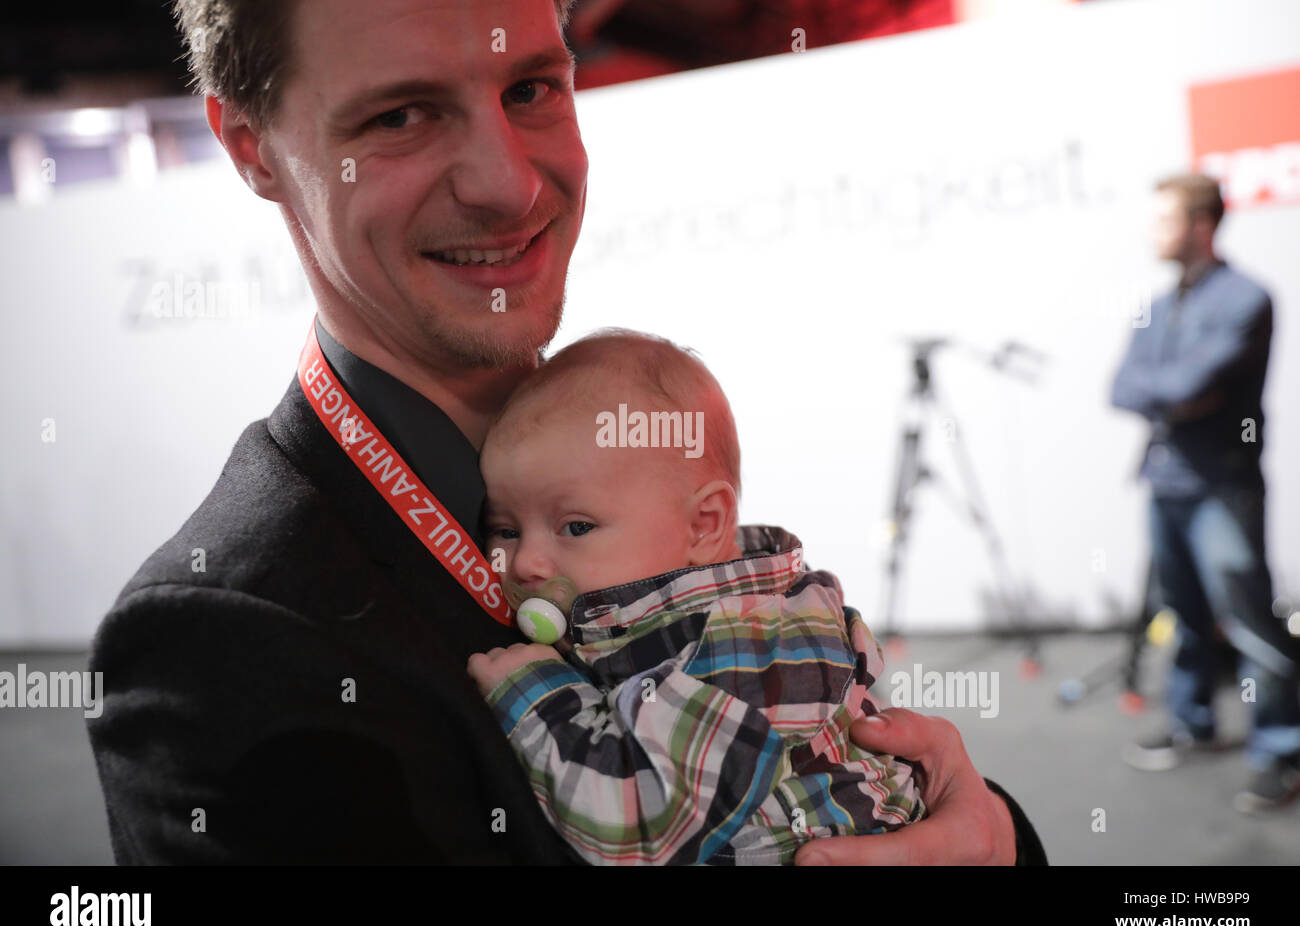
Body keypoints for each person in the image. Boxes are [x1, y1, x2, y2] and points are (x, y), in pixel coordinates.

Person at [86, 0, 1045, 864]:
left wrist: (991, 838)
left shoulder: (631, 440)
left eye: (532, 87)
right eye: (401, 115)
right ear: (251, 146)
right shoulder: (216, 644)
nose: (508, 185)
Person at [466, 330, 926, 864]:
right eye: (504, 530)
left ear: (703, 525)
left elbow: (638, 826)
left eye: (575, 527)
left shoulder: (743, 646)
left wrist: (534, 692)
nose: (525, 563)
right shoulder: (654, 618)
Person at [1112, 172, 1300, 812]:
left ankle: (1278, 749)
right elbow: (1126, 388)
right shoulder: (1159, 305)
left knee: (1249, 623)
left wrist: (1176, 390)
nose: (1152, 232)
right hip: (1166, 480)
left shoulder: (1248, 297)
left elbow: (1190, 382)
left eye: (1164, 220)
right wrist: (1179, 393)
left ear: (1200, 224)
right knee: (1183, 614)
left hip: (1223, 484)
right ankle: (1194, 723)